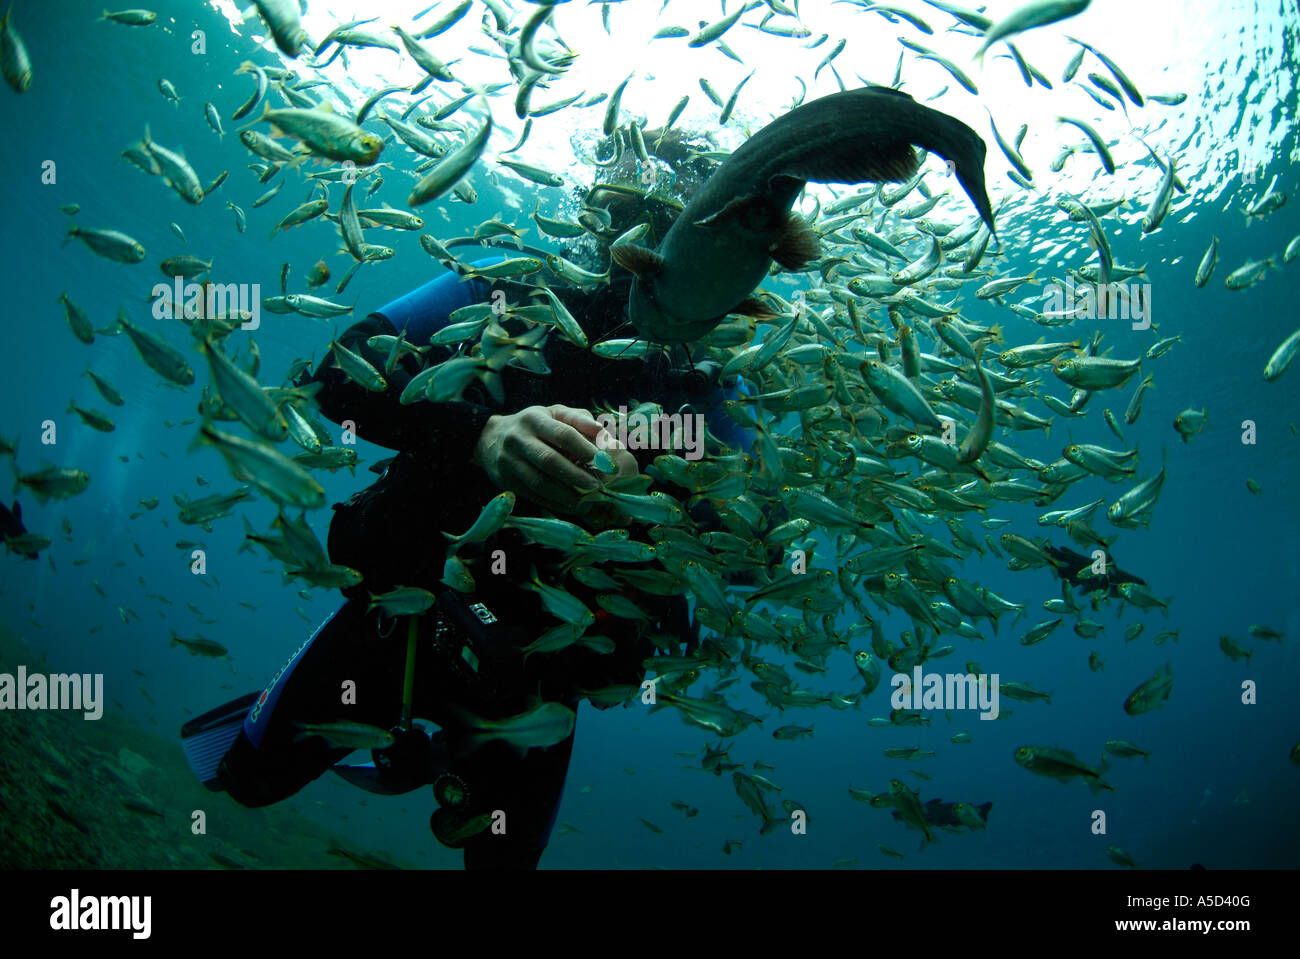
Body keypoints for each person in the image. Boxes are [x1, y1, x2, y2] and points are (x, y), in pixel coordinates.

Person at [186, 129, 750, 870]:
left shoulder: (710, 383)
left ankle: (419, 754)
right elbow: (337, 374)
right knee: (245, 784)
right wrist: (481, 433)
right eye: (632, 219)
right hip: (411, 613)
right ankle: (397, 752)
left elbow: (750, 548)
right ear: (600, 216)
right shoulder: (511, 283)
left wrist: (646, 500)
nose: (647, 254)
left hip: (542, 675)